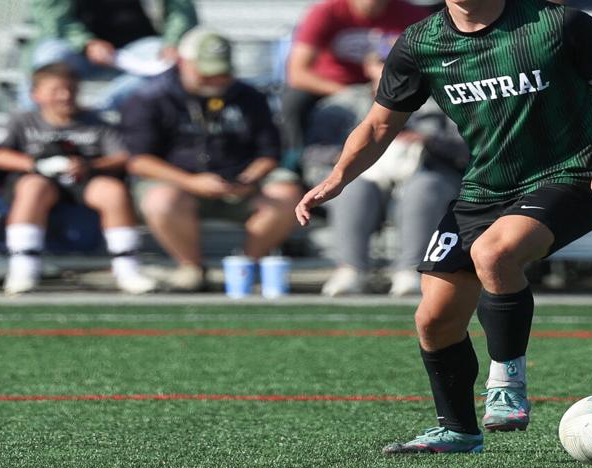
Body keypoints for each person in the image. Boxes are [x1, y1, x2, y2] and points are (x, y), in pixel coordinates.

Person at [296, 0, 592, 454]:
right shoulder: (421, 43)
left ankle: (507, 384)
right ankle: (458, 430)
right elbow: (380, 124)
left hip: (569, 178)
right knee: (434, 320)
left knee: (494, 253)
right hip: (482, 190)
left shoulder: (559, 24)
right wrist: (336, 178)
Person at [120, 28, 303, 292]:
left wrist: (249, 178)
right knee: (161, 201)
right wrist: (191, 182)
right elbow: (138, 160)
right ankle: (191, 268)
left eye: (223, 72)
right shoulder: (150, 98)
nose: (216, 80)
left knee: (287, 194)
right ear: (183, 62)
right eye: (207, 72)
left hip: (241, 184)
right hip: (179, 185)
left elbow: (270, 152)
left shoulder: (249, 97)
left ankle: (244, 266)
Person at [302, 49, 467, 297]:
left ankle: (410, 270)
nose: (390, 67)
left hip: (428, 171)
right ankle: (350, 269)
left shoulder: (444, 98)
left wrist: (427, 141)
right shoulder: (341, 103)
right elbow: (312, 153)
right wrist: (352, 156)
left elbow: (466, 149)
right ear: (368, 66)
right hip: (361, 175)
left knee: (424, 188)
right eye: (382, 62)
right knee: (353, 189)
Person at [0, 62, 155, 295]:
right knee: (33, 187)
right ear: (36, 94)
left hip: (85, 181)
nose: (65, 96)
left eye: (71, 90)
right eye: (56, 90)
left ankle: (127, 268)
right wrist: (36, 164)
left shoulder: (96, 121)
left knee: (112, 191)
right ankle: (23, 267)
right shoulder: (22, 120)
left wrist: (89, 165)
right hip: (39, 182)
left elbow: (122, 156)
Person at [283, 0, 435, 171]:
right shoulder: (326, 12)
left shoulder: (412, 14)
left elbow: (434, 63)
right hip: (337, 86)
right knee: (294, 100)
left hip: (396, 84)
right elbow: (297, 73)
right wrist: (349, 93)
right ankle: (296, 159)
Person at [27, 0, 199, 111]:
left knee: (166, 65)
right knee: (48, 56)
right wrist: (86, 43)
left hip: (134, 47)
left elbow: (181, 10)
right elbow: (53, 18)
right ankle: (32, 126)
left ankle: (99, 112)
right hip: (78, 48)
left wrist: (172, 42)